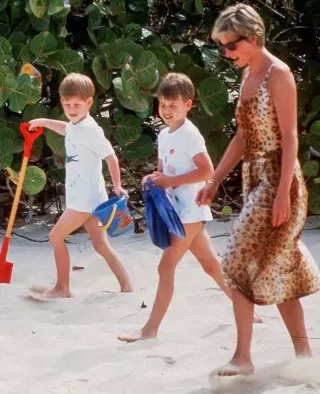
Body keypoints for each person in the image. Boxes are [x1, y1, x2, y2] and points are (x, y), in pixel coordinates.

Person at [197, 3, 320, 376]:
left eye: (230, 45)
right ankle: (304, 358)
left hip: (278, 179)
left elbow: (289, 137)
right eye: (222, 47)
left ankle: (243, 357)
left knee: (234, 265)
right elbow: (242, 136)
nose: (226, 53)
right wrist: (215, 179)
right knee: (281, 267)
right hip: (255, 179)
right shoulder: (248, 74)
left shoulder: (278, 74)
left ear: (252, 38)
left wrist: (283, 192)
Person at [118, 72, 259, 343]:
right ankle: (247, 310)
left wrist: (171, 180)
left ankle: (150, 330)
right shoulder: (164, 134)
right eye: (163, 105)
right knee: (211, 265)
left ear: (188, 106)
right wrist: (153, 178)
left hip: (190, 210)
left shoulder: (190, 134)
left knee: (165, 267)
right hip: (176, 210)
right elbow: (163, 170)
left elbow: (207, 170)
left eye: (174, 106)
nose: (167, 111)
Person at [29, 73, 133, 298]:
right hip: (88, 197)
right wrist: (44, 122)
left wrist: (117, 185)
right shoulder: (77, 125)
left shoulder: (91, 130)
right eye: (67, 104)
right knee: (100, 244)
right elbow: (67, 129)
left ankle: (62, 288)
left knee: (56, 237)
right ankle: (127, 285)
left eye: (77, 104)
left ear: (89, 103)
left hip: (85, 200)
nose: (71, 109)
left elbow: (111, 157)